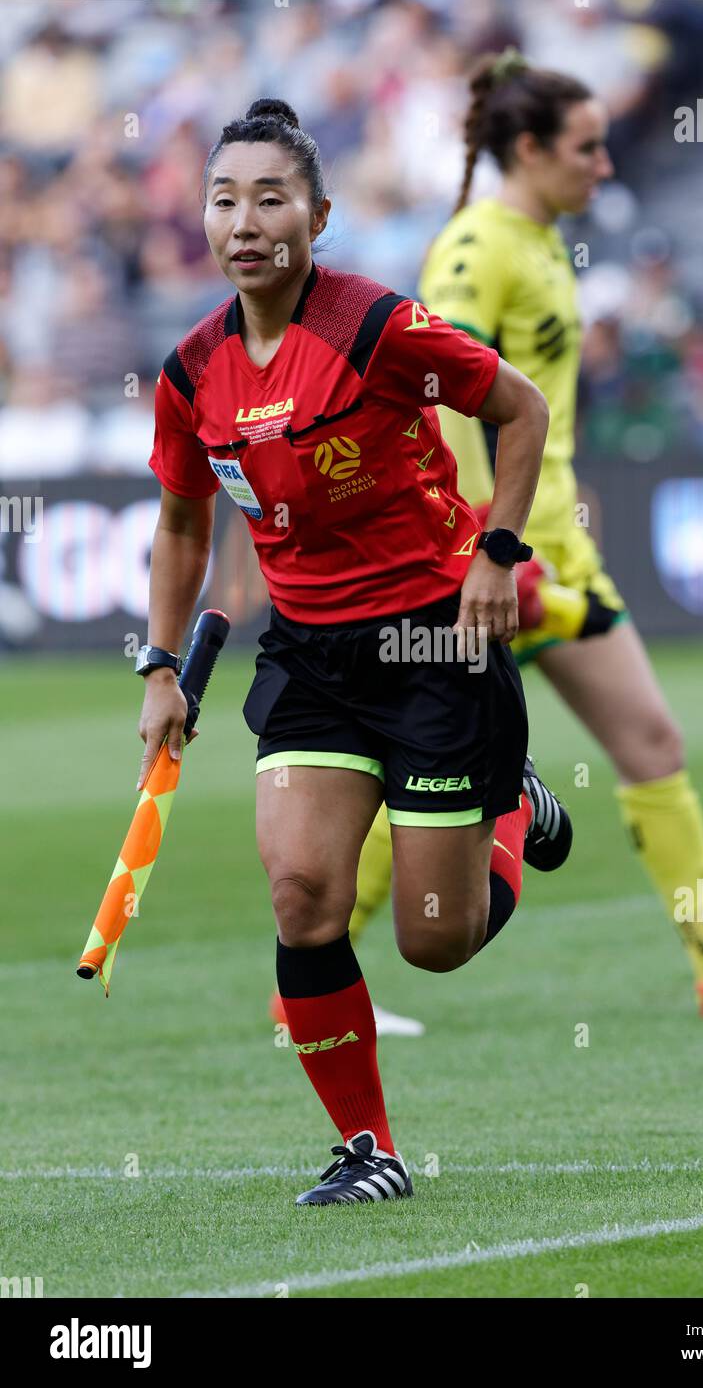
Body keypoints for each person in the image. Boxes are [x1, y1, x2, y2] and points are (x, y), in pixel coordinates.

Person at [336, 51, 703, 1020]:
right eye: (586, 148)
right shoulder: (476, 246)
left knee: (648, 738)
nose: (603, 166)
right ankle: (314, 975)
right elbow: (435, 396)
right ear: (527, 150)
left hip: (550, 553)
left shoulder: (535, 241)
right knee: (442, 771)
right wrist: (483, 545)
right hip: (492, 565)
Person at [137, 98, 572, 1207]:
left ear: (316, 216)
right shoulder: (191, 374)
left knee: (435, 940)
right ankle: (367, 1149)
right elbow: (184, 524)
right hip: (310, 657)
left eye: (269, 198)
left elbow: (517, 409)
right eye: (224, 198)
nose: (244, 220)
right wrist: (157, 664)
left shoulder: (379, 329)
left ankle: (511, 805)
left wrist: (497, 550)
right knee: (301, 896)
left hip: (435, 642)